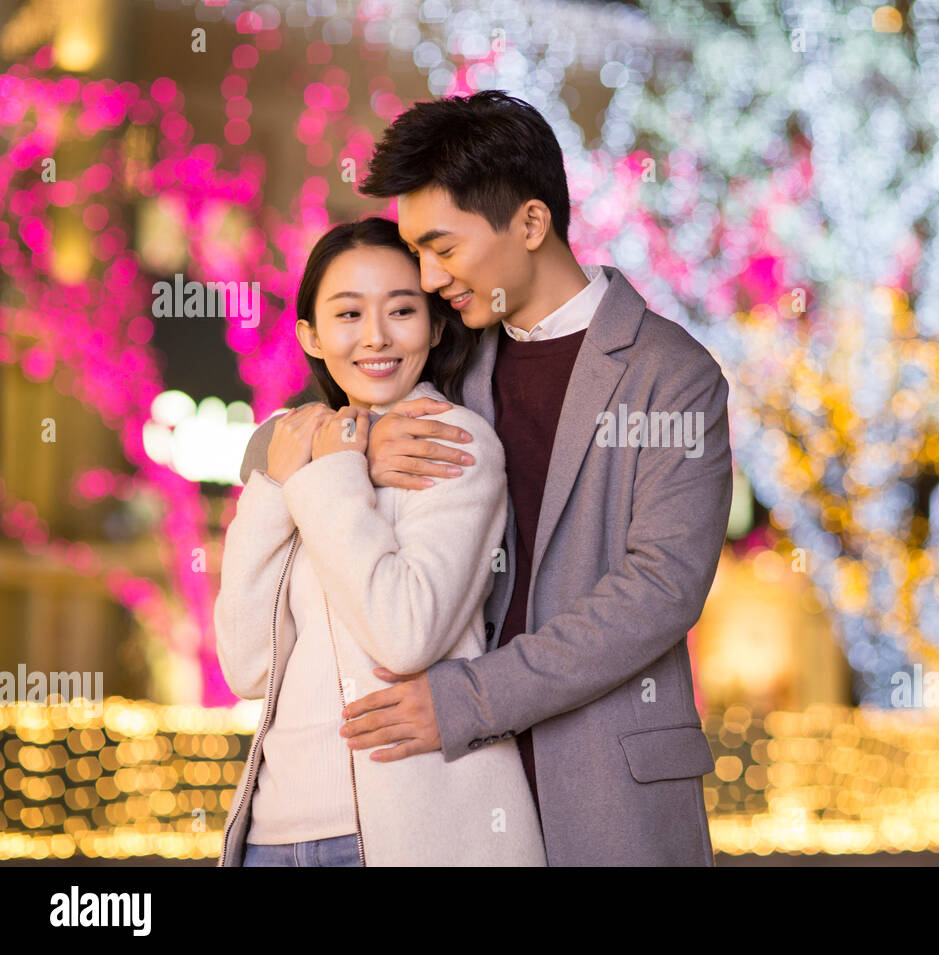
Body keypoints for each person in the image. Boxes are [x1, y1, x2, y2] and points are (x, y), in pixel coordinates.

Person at [239, 90, 732, 865]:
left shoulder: (672, 375)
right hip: (451, 792)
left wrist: (472, 698)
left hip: (599, 771)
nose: (428, 278)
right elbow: (283, 440)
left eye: (442, 248)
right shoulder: (458, 355)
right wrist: (359, 445)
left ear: (530, 224)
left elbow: (660, 589)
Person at [215, 216, 546, 866]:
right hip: (270, 836)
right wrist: (285, 479)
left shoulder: (450, 441)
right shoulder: (295, 446)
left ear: (436, 324)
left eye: (401, 310)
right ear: (310, 333)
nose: (375, 337)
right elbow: (246, 665)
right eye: (347, 313)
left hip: (404, 834)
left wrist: (335, 468)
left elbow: (404, 633)